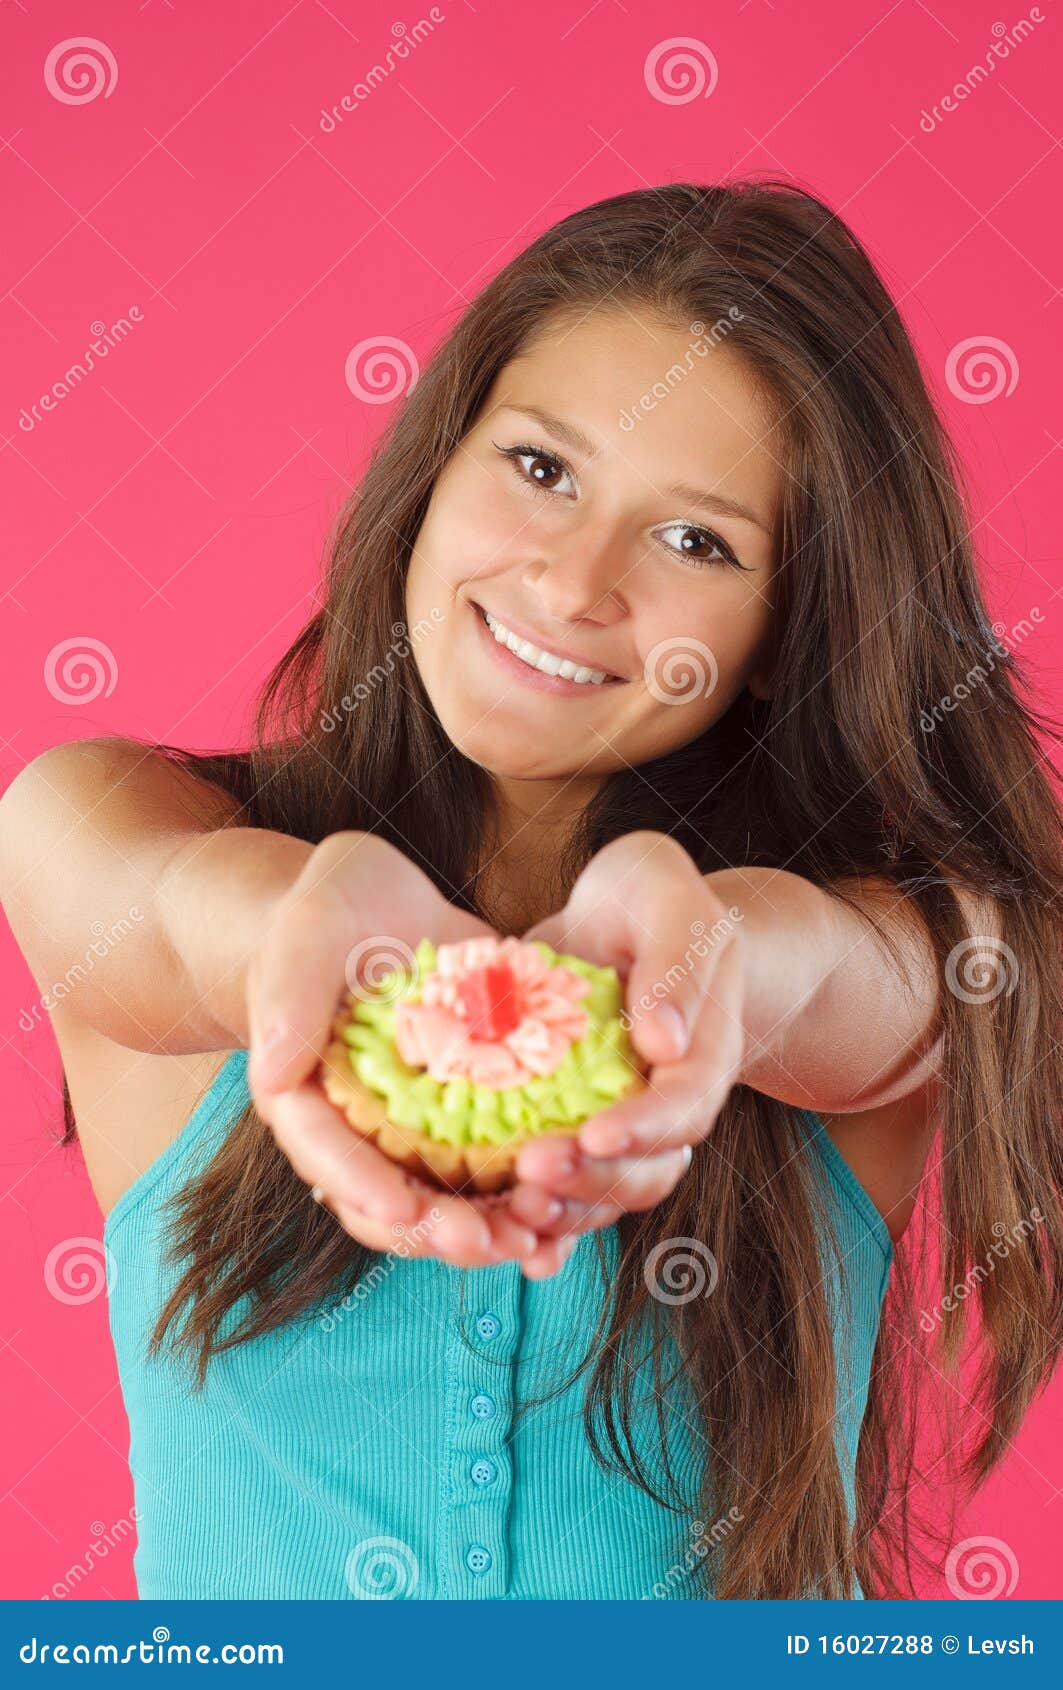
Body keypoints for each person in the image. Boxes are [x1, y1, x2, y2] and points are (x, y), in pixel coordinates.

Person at [3, 179, 1060, 1602]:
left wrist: (714, 955)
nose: (572, 583)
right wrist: (296, 930)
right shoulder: (118, 816)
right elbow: (131, 894)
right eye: (543, 469)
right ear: (436, 464)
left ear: (778, 629)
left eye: (698, 541)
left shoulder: (888, 940)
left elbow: (878, 979)